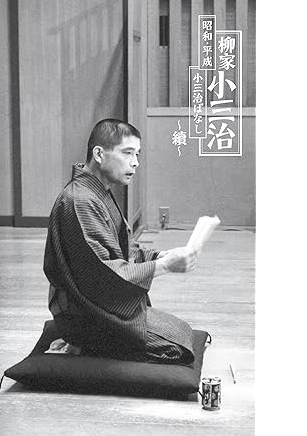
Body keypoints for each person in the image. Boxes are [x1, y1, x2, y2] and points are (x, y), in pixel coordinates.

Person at [43, 119, 199, 365]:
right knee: (177, 349)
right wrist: (165, 266)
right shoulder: (79, 200)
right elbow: (103, 274)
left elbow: (125, 249)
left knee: (182, 331)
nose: (135, 162)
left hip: (98, 303)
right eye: (127, 153)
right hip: (85, 313)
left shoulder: (96, 193)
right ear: (99, 154)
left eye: (137, 154)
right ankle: (81, 343)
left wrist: (160, 256)